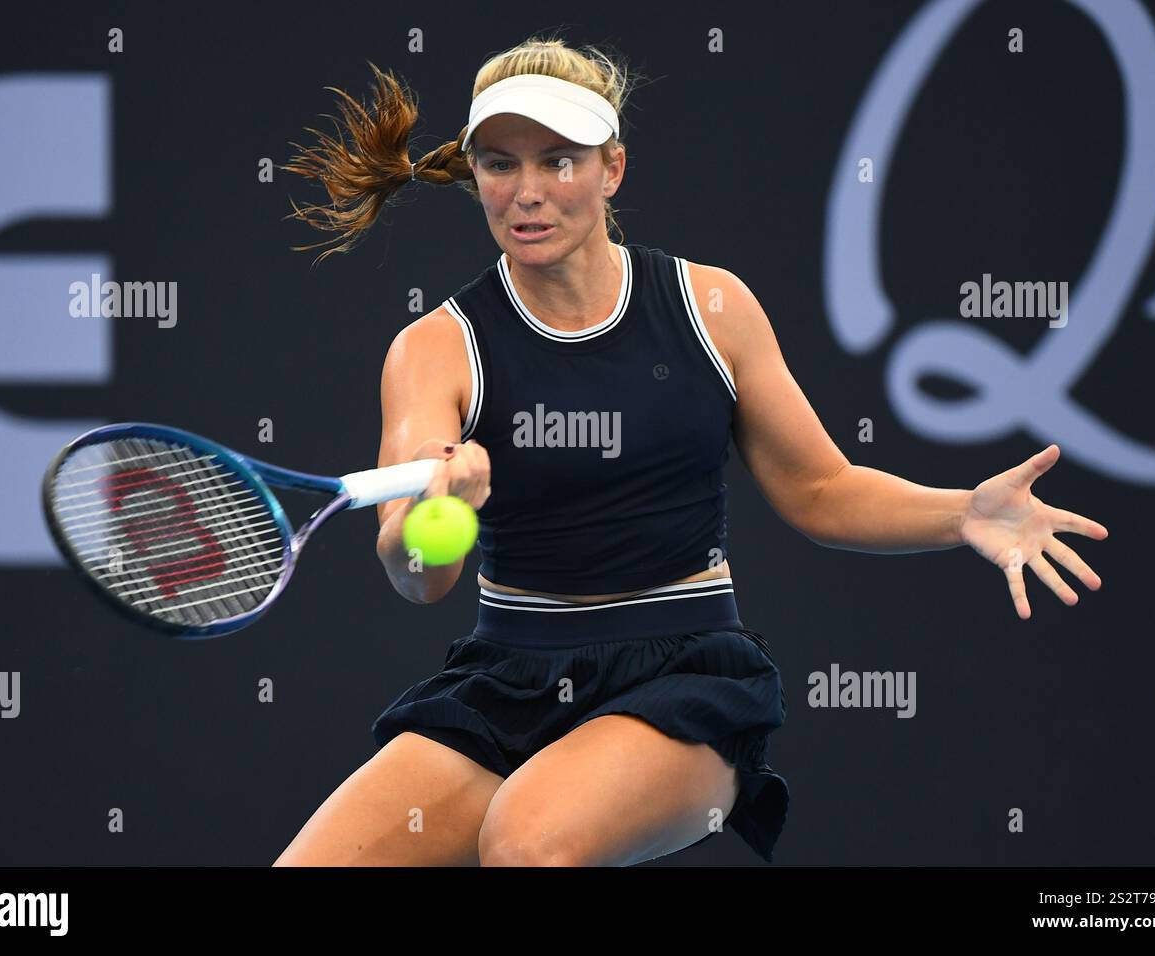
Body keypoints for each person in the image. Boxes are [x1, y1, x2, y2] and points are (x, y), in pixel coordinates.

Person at [272, 36, 1107, 867]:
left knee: (528, 845)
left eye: (559, 161)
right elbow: (417, 576)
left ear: (613, 169)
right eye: (499, 164)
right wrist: (439, 510)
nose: (526, 194)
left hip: (684, 681)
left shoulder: (713, 308)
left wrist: (963, 512)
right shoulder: (433, 349)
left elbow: (820, 489)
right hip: (506, 681)